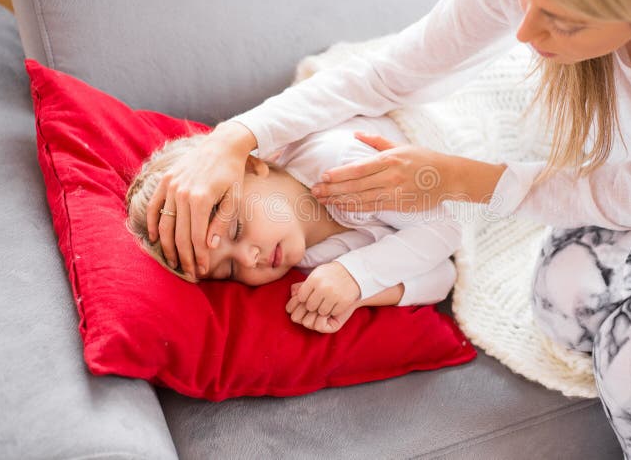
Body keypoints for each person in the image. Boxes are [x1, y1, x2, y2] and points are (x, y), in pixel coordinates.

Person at [145, 0, 631, 458]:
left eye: (564, 20)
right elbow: (391, 73)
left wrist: (453, 181)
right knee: (568, 310)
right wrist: (231, 138)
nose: (525, 34)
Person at [126, 115, 461, 333]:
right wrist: (356, 294)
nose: (246, 259)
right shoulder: (307, 260)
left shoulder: (340, 164)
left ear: (253, 166)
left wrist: (356, 275)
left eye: (236, 228)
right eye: (228, 270)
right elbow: (444, 274)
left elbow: (450, 227)